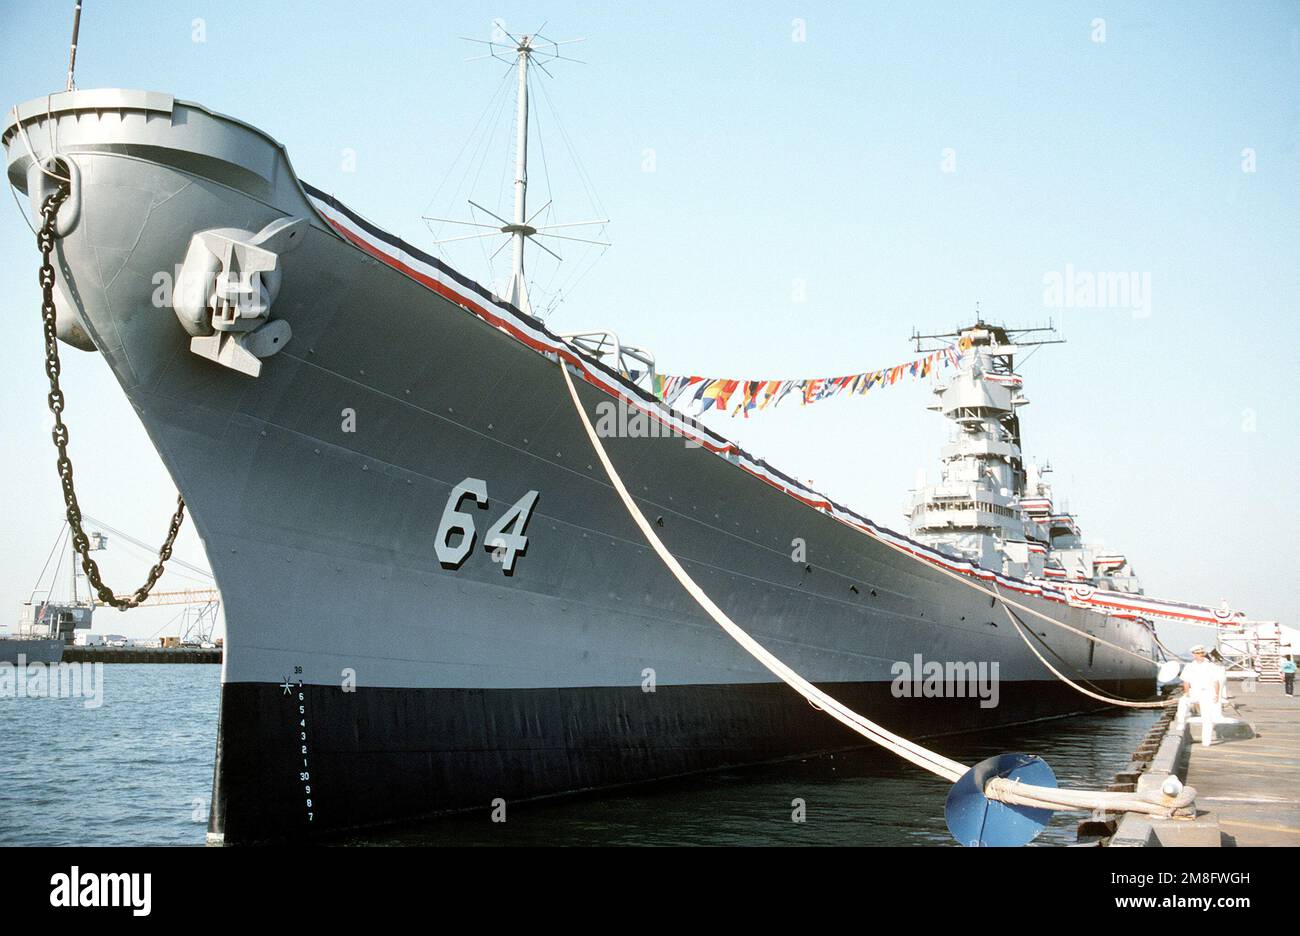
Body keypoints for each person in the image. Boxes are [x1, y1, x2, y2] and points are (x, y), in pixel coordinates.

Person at [1179, 645, 1223, 747]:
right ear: (1194, 655)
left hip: (1207, 692)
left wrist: (1216, 695)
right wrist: (1186, 693)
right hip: (1194, 691)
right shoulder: (1190, 666)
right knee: (1182, 701)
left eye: (1202, 653)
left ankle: (1206, 742)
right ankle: (1181, 722)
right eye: (1198, 653)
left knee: (1207, 718)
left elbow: (1216, 681)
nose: (1201, 655)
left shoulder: (1211, 666)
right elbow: (1186, 682)